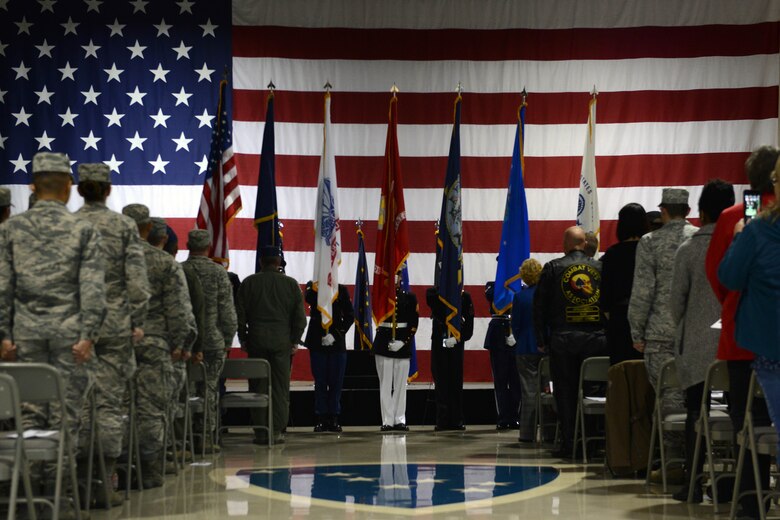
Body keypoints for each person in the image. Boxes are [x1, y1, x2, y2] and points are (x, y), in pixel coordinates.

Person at [0, 153, 105, 510]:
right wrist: (88, 335)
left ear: (32, 185)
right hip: (70, 338)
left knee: (27, 417)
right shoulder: (84, 229)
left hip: (23, 336)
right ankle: (59, 497)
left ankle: (29, 498)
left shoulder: (9, 230)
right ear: (68, 187)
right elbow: (92, 287)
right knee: (66, 414)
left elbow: (3, 286)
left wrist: (4, 335)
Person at [75, 164, 150, 507]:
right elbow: (137, 284)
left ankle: (73, 488)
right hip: (115, 329)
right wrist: (135, 321)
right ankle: (103, 487)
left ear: (79, 189)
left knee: (74, 404)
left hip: (74, 331)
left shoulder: (69, 224)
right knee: (107, 406)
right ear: (107, 190)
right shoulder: (123, 226)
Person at [710, 146, 778, 517]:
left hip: (743, 336)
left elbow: (720, 275)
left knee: (748, 422)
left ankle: (751, 500)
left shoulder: (736, 217)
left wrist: (737, 304)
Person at [668, 180, 734, 502]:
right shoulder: (740, 245)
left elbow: (675, 303)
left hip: (696, 345)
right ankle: (732, 483)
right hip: (734, 345)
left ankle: (693, 483)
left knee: (697, 413)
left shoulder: (689, 249)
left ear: (703, 211)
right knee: (736, 412)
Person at [123, 205, 196, 488]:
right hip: (155, 346)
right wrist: (183, 343)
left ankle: (107, 472)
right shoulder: (163, 262)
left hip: (114, 343)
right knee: (152, 409)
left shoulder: (105, 257)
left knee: (113, 408)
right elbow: (179, 309)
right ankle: (148, 471)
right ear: (148, 229)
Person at [533, 226, 606, 457]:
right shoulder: (600, 267)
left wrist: (541, 339)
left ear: (565, 245)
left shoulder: (553, 267)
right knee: (594, 390)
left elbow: (539, 307)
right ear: (585, 244)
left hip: (563, 339)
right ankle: (595, 443)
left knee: (565, 393)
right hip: (597, 339)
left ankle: (570, 444)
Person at [236, 245, 306, 444]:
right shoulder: (291, 284)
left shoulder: (249, 283)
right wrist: (294, 340)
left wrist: (243, 338)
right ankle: (276, 432)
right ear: (278, 263)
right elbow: (300, 318)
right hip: (282, 343)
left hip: (256, 341)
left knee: (258, 388)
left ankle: (260, 432)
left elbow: (239, 316)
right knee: (280, 389)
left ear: (261, 261)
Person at [182, 229, 237, 451]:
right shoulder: (218, 273)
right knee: (210, 390)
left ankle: (185, 439)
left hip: (185, 342)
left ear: (187, 245)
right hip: (213, 342)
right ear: (208, 247)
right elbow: (227, 311)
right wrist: (227, 340)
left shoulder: (180, 270)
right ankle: (205, 439)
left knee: (185, 391)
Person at [600, 203, 649, 366]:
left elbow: (605, 299)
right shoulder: (651, 251)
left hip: (620, 319)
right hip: (648, 318)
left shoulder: (612, 254)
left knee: (621, 374)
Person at [304, 281, 354, 432]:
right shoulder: (312, 287)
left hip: (336, 343)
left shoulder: (341, 290)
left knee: (335, 382)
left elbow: (350, 316)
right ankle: (321, 417)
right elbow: (310, 299)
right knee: (320, 381)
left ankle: (333, 417)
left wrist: (336, 335)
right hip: (317, 341)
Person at [373, 278, 419, 432]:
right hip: (384, 341)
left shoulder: (410, 298)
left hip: (402, 343)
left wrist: (403, 342)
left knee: (400, 386)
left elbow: (414, 323)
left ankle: (399, 419)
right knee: (385, 385)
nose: (396, 279)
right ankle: (387, 420)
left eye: (398, 274)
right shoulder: (380, 296)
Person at [426, 288, 474, 431]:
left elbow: (469, 324)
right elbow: (434, 306)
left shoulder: (465, 297)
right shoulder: (434, 295)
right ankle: (443, 419)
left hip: (456, 343)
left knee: (455, 382)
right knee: (441, 381)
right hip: (439, 342)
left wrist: (458, 338)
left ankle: (456, 419)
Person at [511, 258, 543, 442]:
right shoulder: (546, 295)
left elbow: (515, 325)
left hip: (525, 348)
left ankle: (527, 434)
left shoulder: (519, 297)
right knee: (548, 391)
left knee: (528, 392)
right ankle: (548, 432)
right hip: (545, 348)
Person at [484, 282, 521, 430]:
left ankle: (515, 417)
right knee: (500, 380)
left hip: (517, 333)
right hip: (498, 336)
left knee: (516, 380)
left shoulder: (522, 288)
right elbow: (491, 296)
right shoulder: (493, 287)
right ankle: (503, 417)